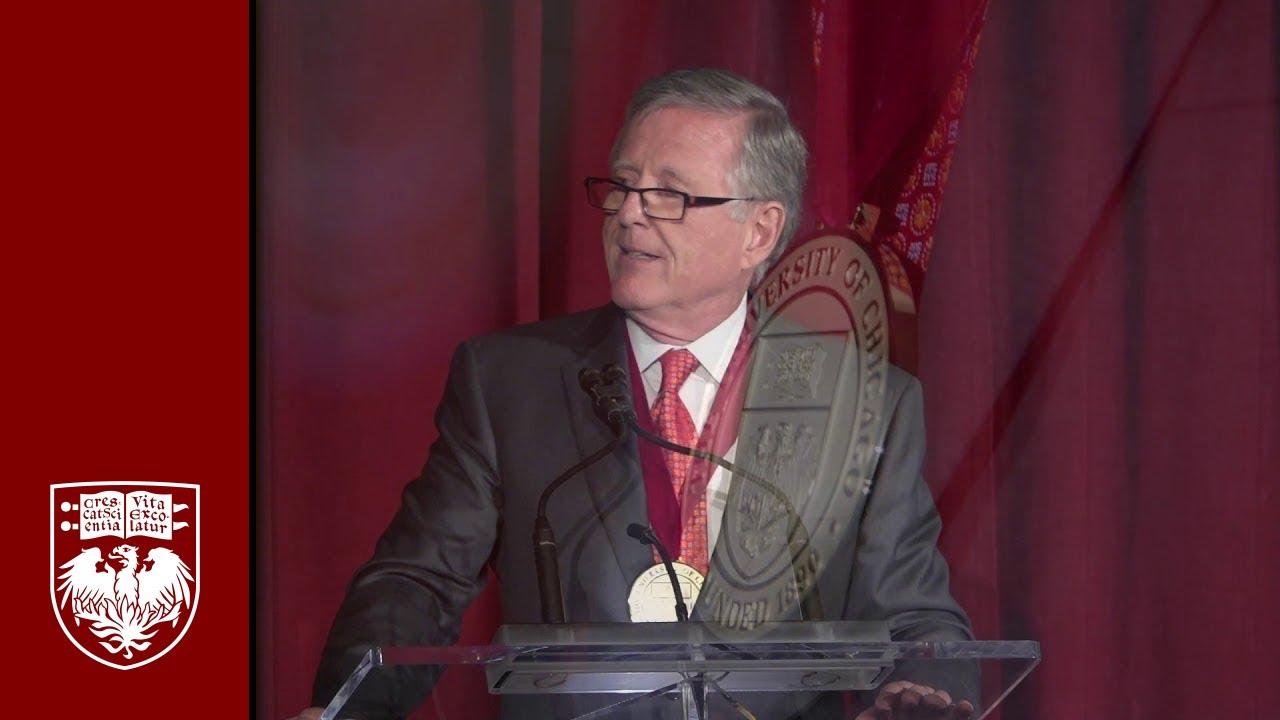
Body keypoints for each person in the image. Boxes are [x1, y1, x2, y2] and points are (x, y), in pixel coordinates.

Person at [288, 68, 976, 720]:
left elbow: (913, 613)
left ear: (759, 231)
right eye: (621, 186)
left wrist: (923, 689)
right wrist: (350, 705)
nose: (628, 215)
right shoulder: (509, 381)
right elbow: (417, 582)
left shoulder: (861, 399)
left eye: (669, 195)